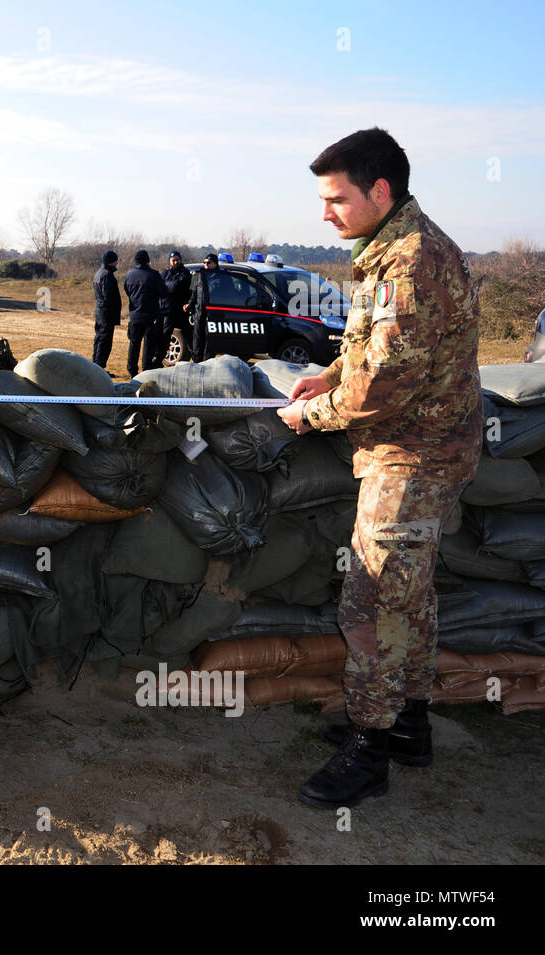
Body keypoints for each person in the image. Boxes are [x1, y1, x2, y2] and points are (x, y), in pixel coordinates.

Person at [277, 127, 482, 809]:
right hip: (426, 448)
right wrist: (328, 374)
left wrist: (314, 413)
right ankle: (408, 723)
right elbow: (373, 351)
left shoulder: (410, 262)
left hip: (414, 454)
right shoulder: (394, 251)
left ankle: (368, 750)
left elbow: (381, 388)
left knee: (369, 600)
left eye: (335, 199)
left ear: (380, 191)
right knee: (410, 594)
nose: (325, 213)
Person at [122, 249, 167, 377]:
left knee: (134, 344)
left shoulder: (129, 275)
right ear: (148, 260)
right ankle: (146, 370)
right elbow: (163, 293)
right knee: (149, 345)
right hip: (150, 316)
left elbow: (127, 291)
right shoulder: (154, 275)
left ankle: (132, 371)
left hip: (135, 316)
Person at [159, 250, 192, 364]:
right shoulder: (165, 272)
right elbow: (160, 286)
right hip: (166, 309)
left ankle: (196, 357)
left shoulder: (185, 273)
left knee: (187, 335)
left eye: (177, 260)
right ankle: (160, 357)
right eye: (173, 260)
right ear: (169, 261)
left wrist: (167, 285)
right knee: (164, 335)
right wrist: (171, 285)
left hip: (180, 310)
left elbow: (177, 286)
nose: (175, 262)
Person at [91, 249, 120, 370]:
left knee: (99, 338)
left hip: (99, 310)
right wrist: (115, 308)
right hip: (106, 312)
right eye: (115, 261)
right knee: (105, 340)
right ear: (111, 262)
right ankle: (100, 367)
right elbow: (109, 296)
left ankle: (96, 365)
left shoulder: (98, 273)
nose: (117, 263)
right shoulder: (107, 275)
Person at [187, 252, 219, 361]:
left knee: (209, 343)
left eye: (209, 262)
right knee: (197, 341)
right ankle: (197, 362)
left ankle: (207, 364)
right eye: (204, 262)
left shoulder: (221, 278)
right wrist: (190, 305)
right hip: (199, 314)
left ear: (215, 264)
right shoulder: (200, 277)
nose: (206, 265)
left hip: (213, 315)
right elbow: (194, 294)